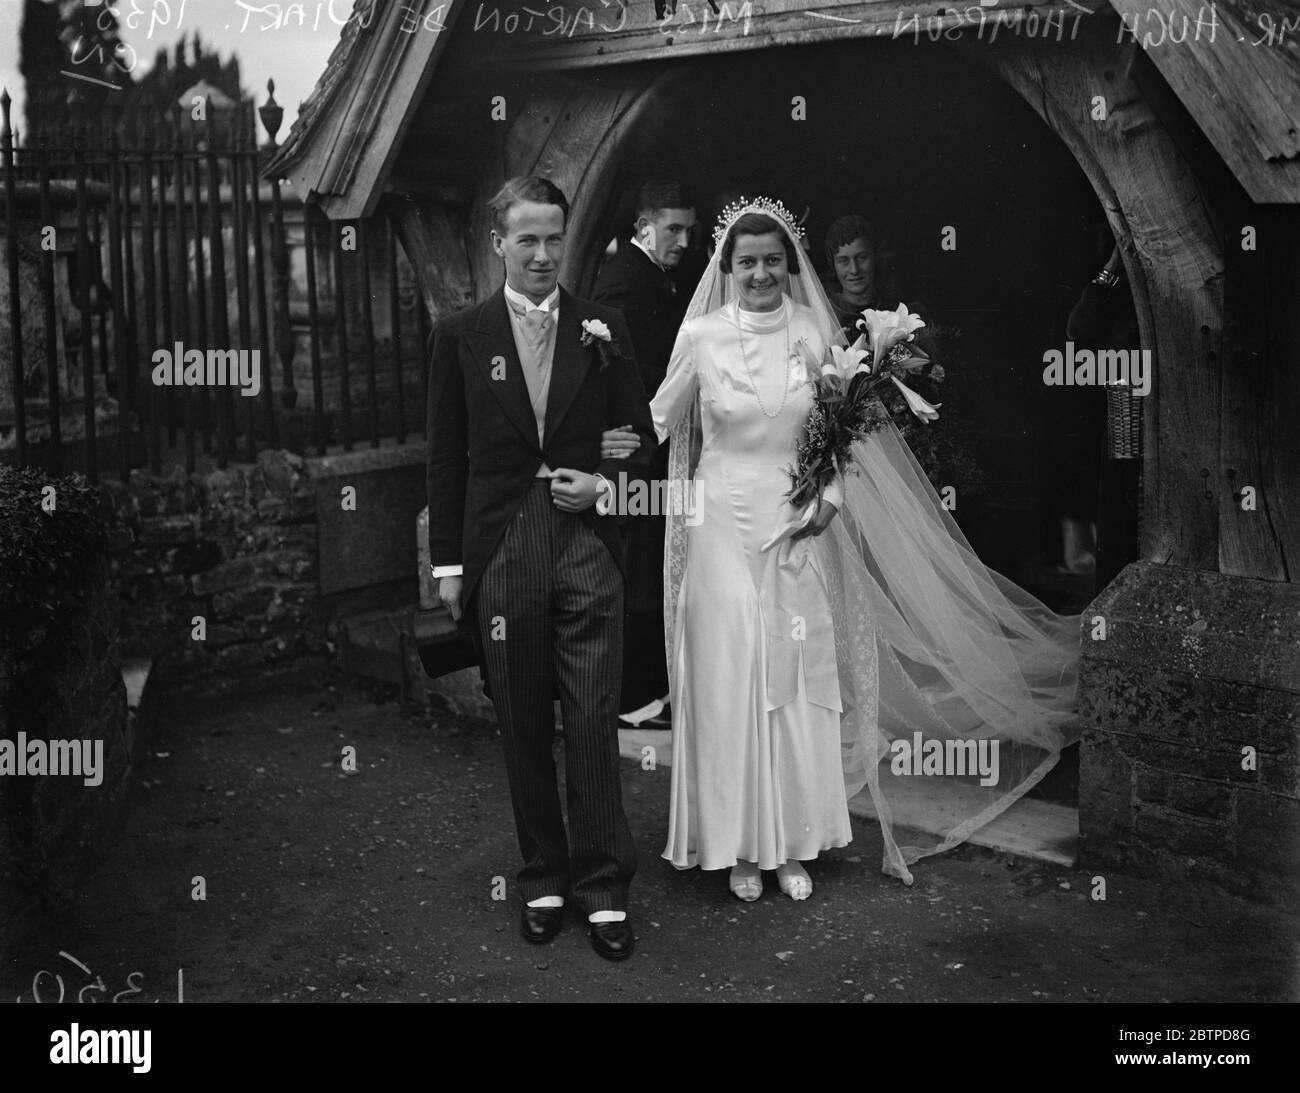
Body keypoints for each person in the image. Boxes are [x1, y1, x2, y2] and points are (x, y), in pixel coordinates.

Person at [603, 198, 1080, 898]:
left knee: (797, 681)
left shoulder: (813, 332)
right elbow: (656, 418)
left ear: (789, 265)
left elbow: (845, 431)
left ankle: (793, 843)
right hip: (721, 527)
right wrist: (599, 436)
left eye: (772, 260)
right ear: (727, 268)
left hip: (797, 522)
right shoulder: (701, 334)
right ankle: (739, 845)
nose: (760, 273)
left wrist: (824, 504)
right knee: (733, 678)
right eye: (747, 262)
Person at [425, 176, 657, 959]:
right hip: (503, 545)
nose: (543, 253)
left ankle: (602, 888)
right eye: (526, 239)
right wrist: (451, 565)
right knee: (523, 716)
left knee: (593, 715)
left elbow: (640, 437)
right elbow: (445, 458)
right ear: (499, 244)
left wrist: (606, 483)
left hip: (586, 539)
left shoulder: (604, 326)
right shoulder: (460, 334)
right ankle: (543, 879)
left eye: (554, 238)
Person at [592, 180, 699, 729]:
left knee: (654, 566)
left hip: (654, 449)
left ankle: (649, 690)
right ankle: (632, 700)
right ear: (644, 228)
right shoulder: (625, 285)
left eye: (688, 229)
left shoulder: (653, 277)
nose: (682, 240)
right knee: (638, 571)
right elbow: (612, 369)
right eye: (672, 229)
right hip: (637, 453)